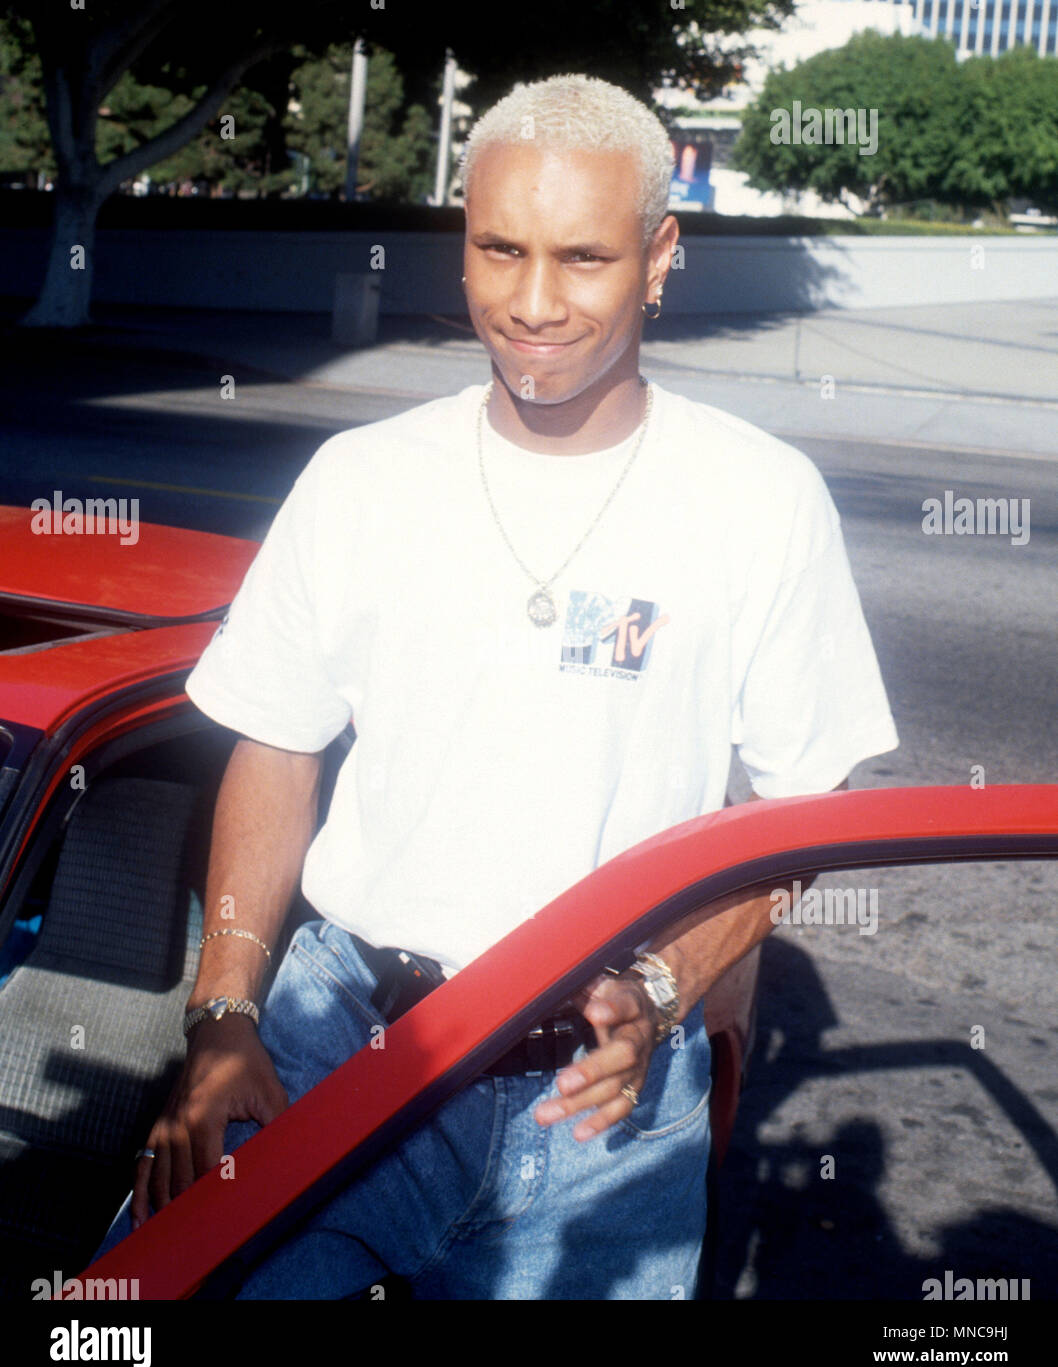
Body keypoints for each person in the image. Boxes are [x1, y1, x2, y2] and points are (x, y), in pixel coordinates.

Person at [95, 74, 898, 1298]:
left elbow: (805, 805)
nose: (531, 304)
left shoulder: (759, 497)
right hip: (335, 1049)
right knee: (116, 1330)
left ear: (658, 256)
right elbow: (277, 740)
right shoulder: (361, 479)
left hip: (601, 1112)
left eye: (581, 258)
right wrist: (221, 1015)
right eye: (497, 249)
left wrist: (664, 988)